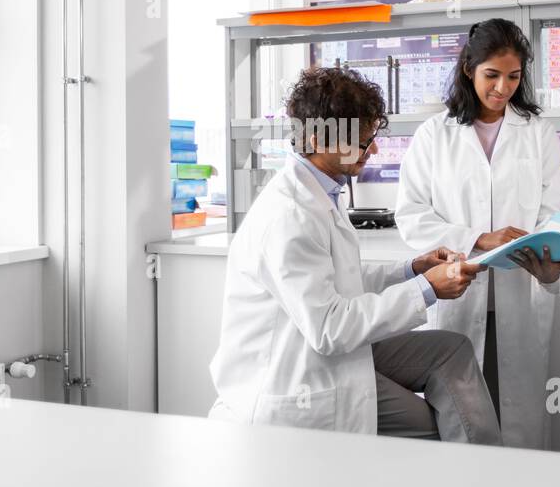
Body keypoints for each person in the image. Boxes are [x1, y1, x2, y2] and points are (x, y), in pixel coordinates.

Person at [209, 66, 502, 444]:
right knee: (441, 424)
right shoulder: (289, 216)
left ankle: (485, 467)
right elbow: (330, 327)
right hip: (298, 383)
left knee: (451, 351)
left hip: (328, 353)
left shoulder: (321, 192)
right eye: (362, 141)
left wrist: (412, 270)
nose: (374, 149)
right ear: (318, 139)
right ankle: (474, 481)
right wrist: (426, 290)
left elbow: (341, 278)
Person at [396, 19, 560, 448]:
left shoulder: (538, 133)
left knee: (519, 418)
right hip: (456, 294)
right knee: (460, 419)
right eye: (492, 75)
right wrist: (479, 238)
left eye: (513, 76)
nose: (503, 88)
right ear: (468, 69)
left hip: (520, 294)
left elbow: (553, 215)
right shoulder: (435, 135)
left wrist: (550, 265)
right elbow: (412, 215)